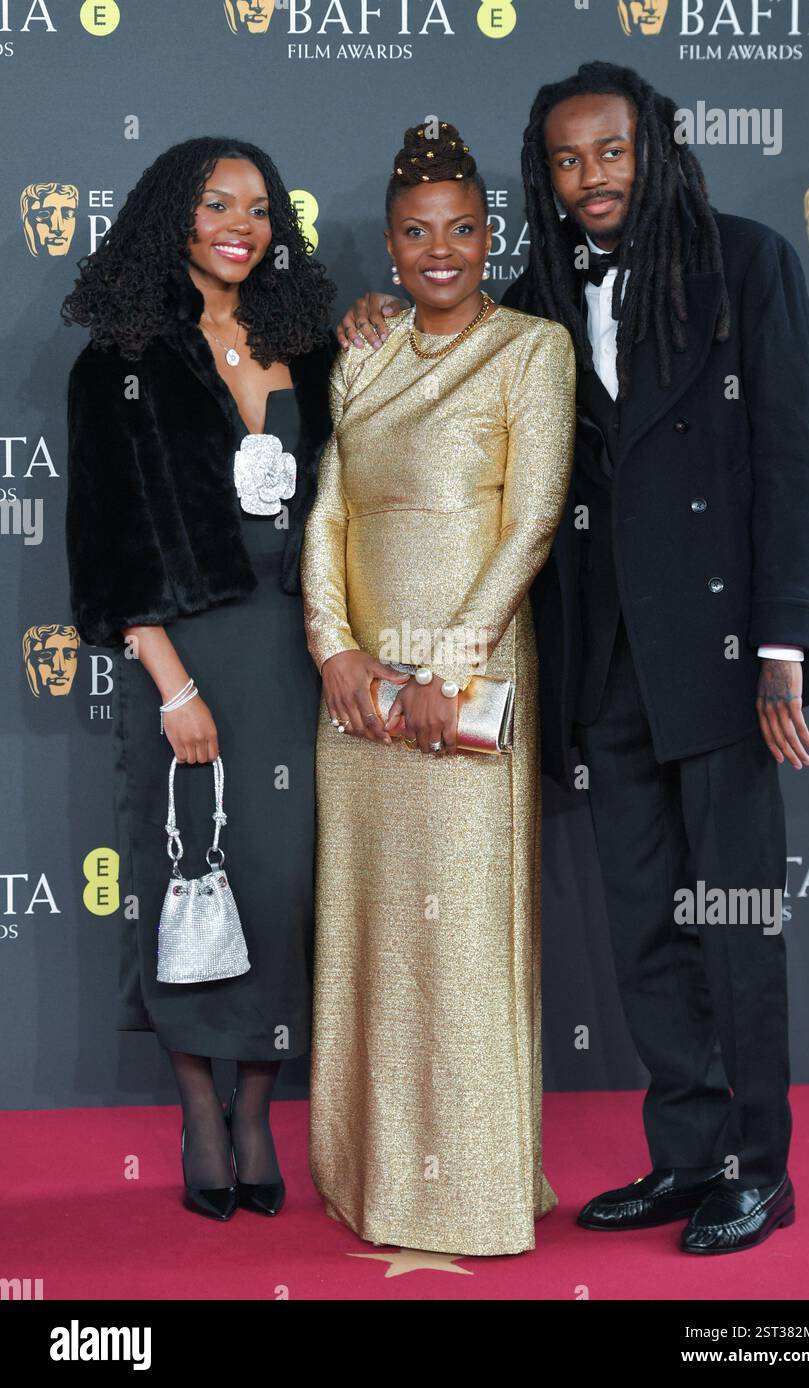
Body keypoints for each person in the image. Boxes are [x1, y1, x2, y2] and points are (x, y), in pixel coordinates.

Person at [336, 64, 809, 1254]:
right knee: (642, 925)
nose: (591, 179)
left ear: (653, 148)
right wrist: (363, 319)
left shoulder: (749, 259)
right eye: (568, 161)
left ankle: (755, 1170)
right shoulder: (535, 302)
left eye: (610, 153)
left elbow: (792, 462)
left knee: (733, 921)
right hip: (605, 664)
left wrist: (780, 646)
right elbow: (438, 356)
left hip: (727, 659)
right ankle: (682, 1157)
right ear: (545, 174)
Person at [300, 120, 576, 1255]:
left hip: (465, 689)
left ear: (486, 232)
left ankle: (468, 1189)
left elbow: (532, 522)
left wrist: (443, 667)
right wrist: (336, 651)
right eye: (417, 234)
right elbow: (329, 512)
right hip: (361, 699)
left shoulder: (533, 348)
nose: (440, 250)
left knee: (461, 934)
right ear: (391, 247)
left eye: (461, 229)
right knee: (370, 932)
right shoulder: (358, 351)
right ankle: (369, 1176)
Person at [63, 136, 338, 1221]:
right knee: (186, 871)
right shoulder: (118, 358)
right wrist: (172, 686)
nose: (241, 223)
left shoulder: (306, 345)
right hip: (181, 654)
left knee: (280, 881)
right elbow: (107, 542)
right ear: (173, 218)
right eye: (217, 203)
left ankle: (260, 1107)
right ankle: (196, 1108)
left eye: (259, 206)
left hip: (294, 651)